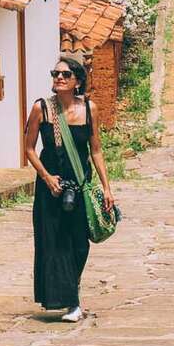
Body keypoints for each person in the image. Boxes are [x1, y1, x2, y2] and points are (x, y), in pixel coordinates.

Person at [24, 51, 115, 322]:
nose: (59, 78)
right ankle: (71, 302)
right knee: (54, 242)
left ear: (77, 81)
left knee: (79, 244)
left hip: (81, 184)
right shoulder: (42, 108)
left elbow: (96, 150)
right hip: (51, 188)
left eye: (65, 74)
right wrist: (46, 176)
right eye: (56, 74)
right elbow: (29, 148)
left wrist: (106, 187)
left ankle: (71, 287)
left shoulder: (90, 109)